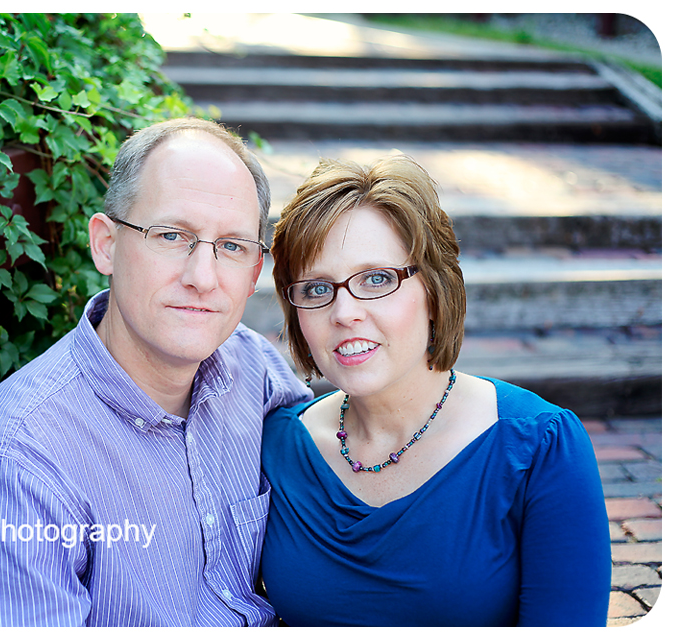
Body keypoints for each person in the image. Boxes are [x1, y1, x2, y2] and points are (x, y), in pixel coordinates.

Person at [0, 117, 313, 626]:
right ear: (106, 245)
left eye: (231, 246)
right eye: (171, 234)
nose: (202, 278)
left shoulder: (255, 370)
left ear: (253, 273)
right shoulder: (18, 464)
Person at [261, 156, 611, 626]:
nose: (344, 312)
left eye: (377, 279)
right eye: (317, 287)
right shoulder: (279, 444)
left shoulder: (539, 447)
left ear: (434, 289)